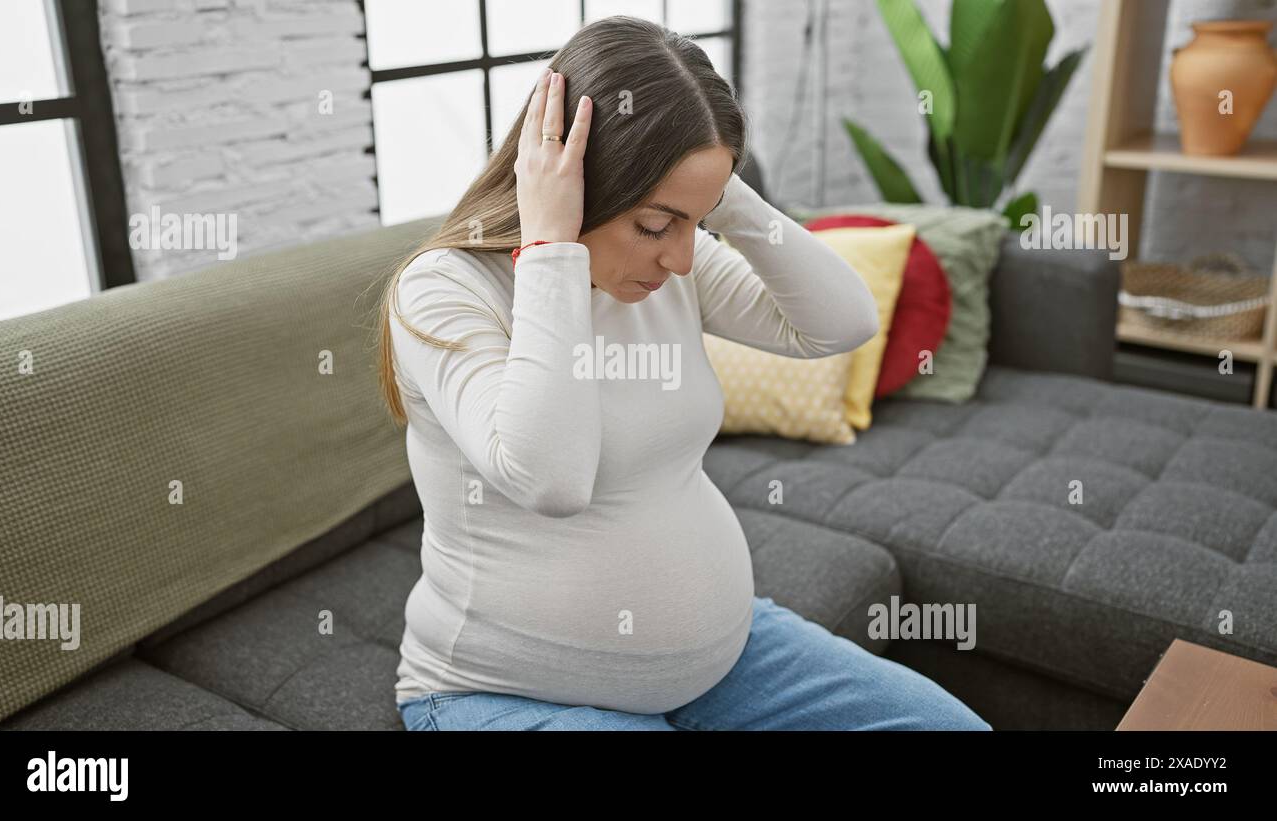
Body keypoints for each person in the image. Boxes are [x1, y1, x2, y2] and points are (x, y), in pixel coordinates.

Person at [373, 15, 991, 731]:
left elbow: (841, 321)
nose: (683, 258)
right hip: (505, 689)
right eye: (655, 223)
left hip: (726, 660)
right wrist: (549, 249)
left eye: (695, 222)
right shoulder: (445, 288)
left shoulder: (668, 271)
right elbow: (552, 477)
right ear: (576, 183)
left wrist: (714, 187)